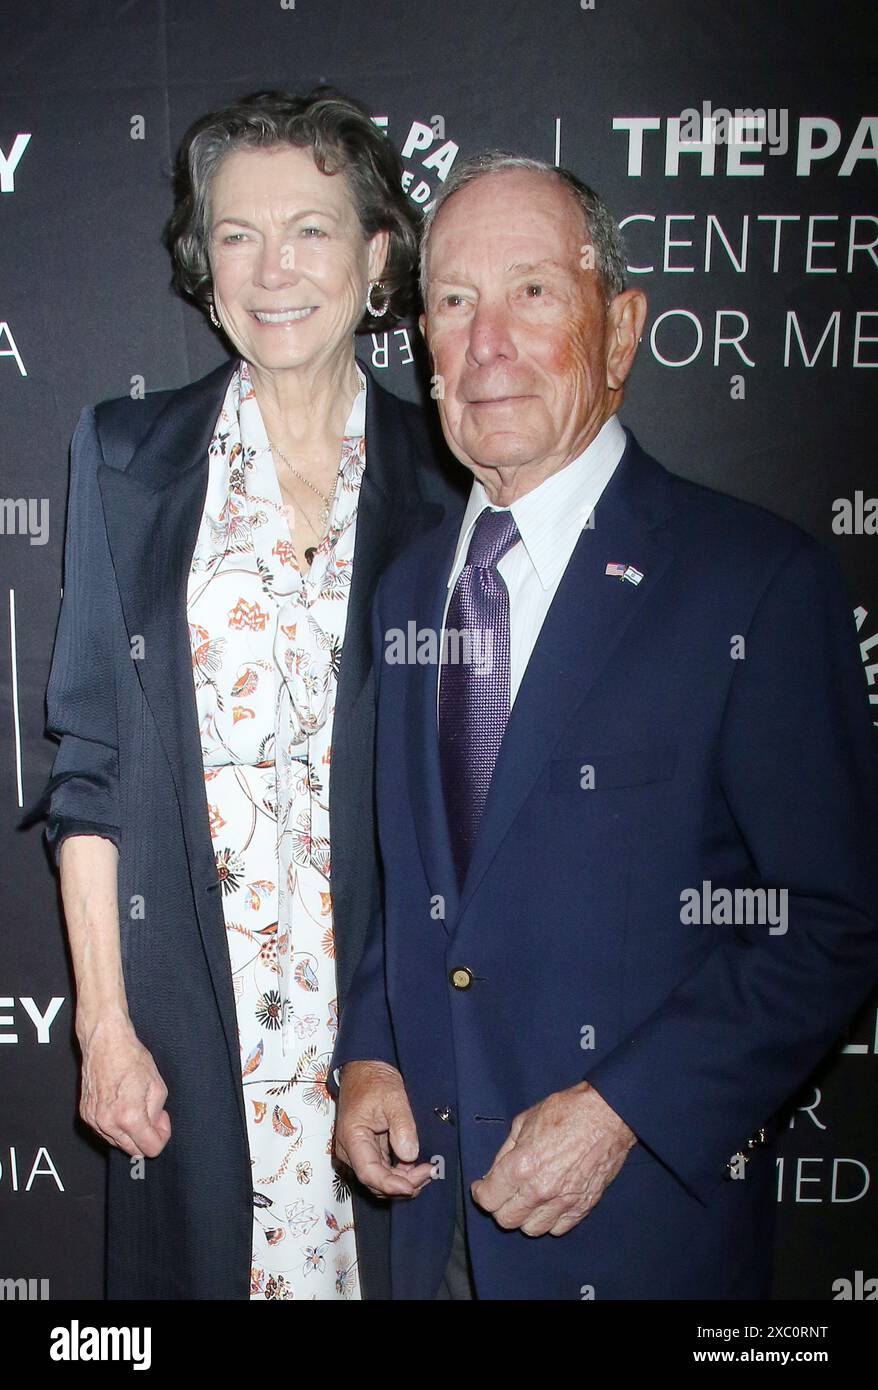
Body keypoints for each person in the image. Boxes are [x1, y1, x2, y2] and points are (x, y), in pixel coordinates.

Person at [330, 151, 878, 1299]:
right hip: (430, 1236)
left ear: (619, 330)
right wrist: (372, 1050)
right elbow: (416, 889)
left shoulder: (752, 582)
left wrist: (624, 1106)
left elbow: (830, 919)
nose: (487, 344)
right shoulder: (402, 591)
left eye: (532, 291)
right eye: (453, 301)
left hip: (634, 1247)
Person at [23, 86, 462, 1300]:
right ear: (201, 263)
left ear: (378, 257)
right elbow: (92, 761)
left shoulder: (451, 476)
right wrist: (105, 1027)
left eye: (311, 229)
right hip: (191, 1029)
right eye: (235, 233)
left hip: (389, 1030)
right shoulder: (125, 456)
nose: (273, 269)